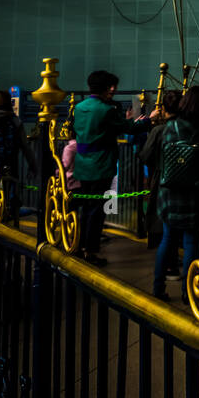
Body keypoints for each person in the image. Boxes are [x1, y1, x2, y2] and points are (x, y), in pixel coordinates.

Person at [72, 70, 147, 265]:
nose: (113, 89)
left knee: (86, 209)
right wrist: (148, 120)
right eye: (110, 86)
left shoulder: (79, 108)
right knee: (97, 211)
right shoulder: (106, 110)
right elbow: (129, 128)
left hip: (82, 165)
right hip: (101, 166)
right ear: (103, 87)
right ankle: (91, 252)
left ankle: (78, 246)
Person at [154, 85, 199, 301]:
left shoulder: (169, 126)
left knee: (167, 238)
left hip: (169, 192)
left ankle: (157, 288)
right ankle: (188, 292)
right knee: (192, 242)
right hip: (195, 194)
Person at [139, 88, 182, 263]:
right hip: (183, 182)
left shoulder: (159, 131)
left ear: (164, 108)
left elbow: (145, 156)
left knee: (164, 226)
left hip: (160, 179)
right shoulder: (187, 128)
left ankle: (166, 270)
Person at [0, 91, 35, 222]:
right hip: (11, 162)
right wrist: (32, 165)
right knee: (12, 192)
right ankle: (13, 218)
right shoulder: (15, 120)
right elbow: (25, 146)